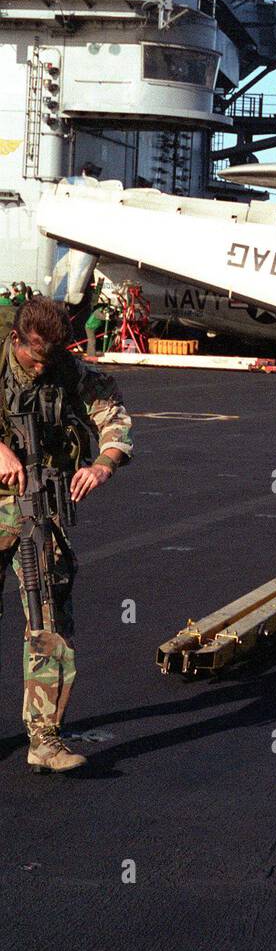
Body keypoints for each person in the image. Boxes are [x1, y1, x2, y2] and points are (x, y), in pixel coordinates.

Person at [0, 297, 133, 772]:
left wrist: (103, 464)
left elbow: (113, 418)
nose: (41, 368)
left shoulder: (68, 371)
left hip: (40, 505)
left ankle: (44, 738)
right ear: (15, 339)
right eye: (34, 358)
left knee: (49, 617)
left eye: (49, 360)